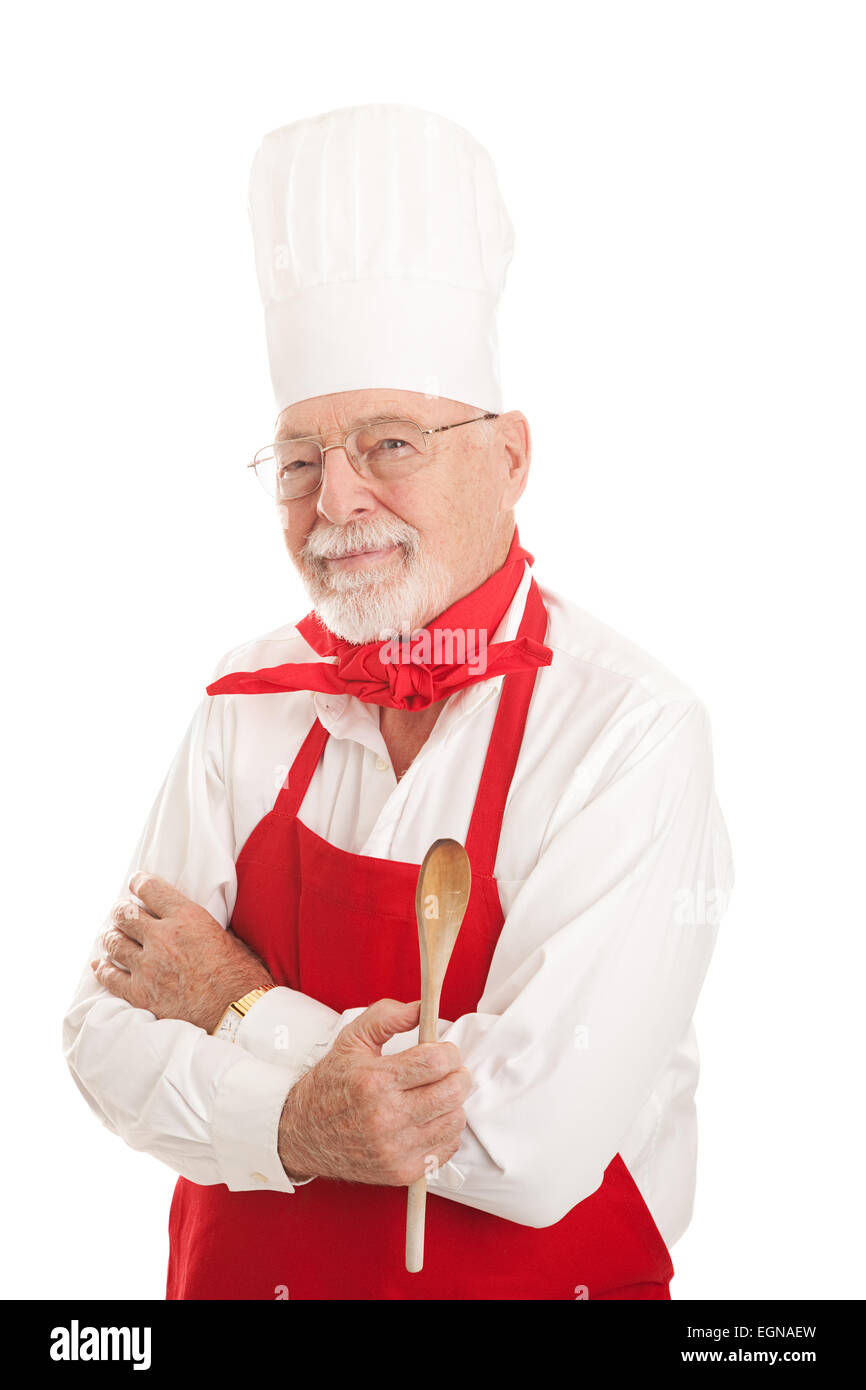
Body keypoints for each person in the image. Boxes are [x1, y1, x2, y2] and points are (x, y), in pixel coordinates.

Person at [63, 103, 734, 1300]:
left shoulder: (630, 731)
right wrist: (316, 1110)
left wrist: (235, 1004)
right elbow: (102, 1039)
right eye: (301, 460)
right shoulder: (242, 706)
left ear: (510, 456)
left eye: (389, 444)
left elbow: (529, 1143)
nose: (336, 504)